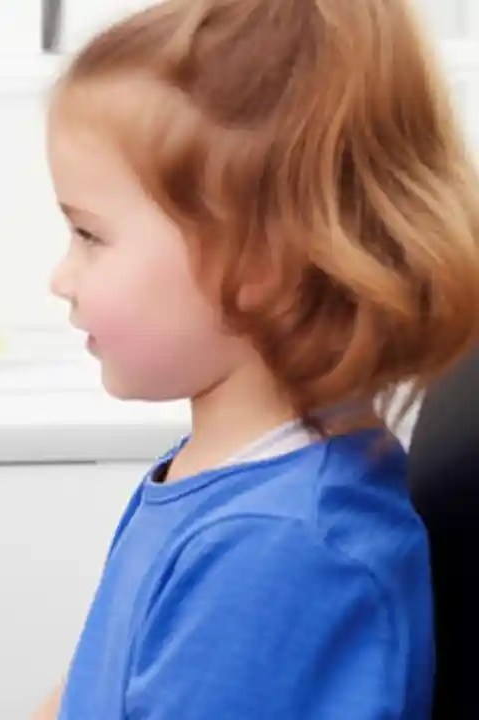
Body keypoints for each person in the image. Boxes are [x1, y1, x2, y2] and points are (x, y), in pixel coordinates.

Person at [34, 0, 479, 717]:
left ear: (258, 262)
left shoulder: (284, 550)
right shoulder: (225, 485)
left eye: (90, 235)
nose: (62, 277)